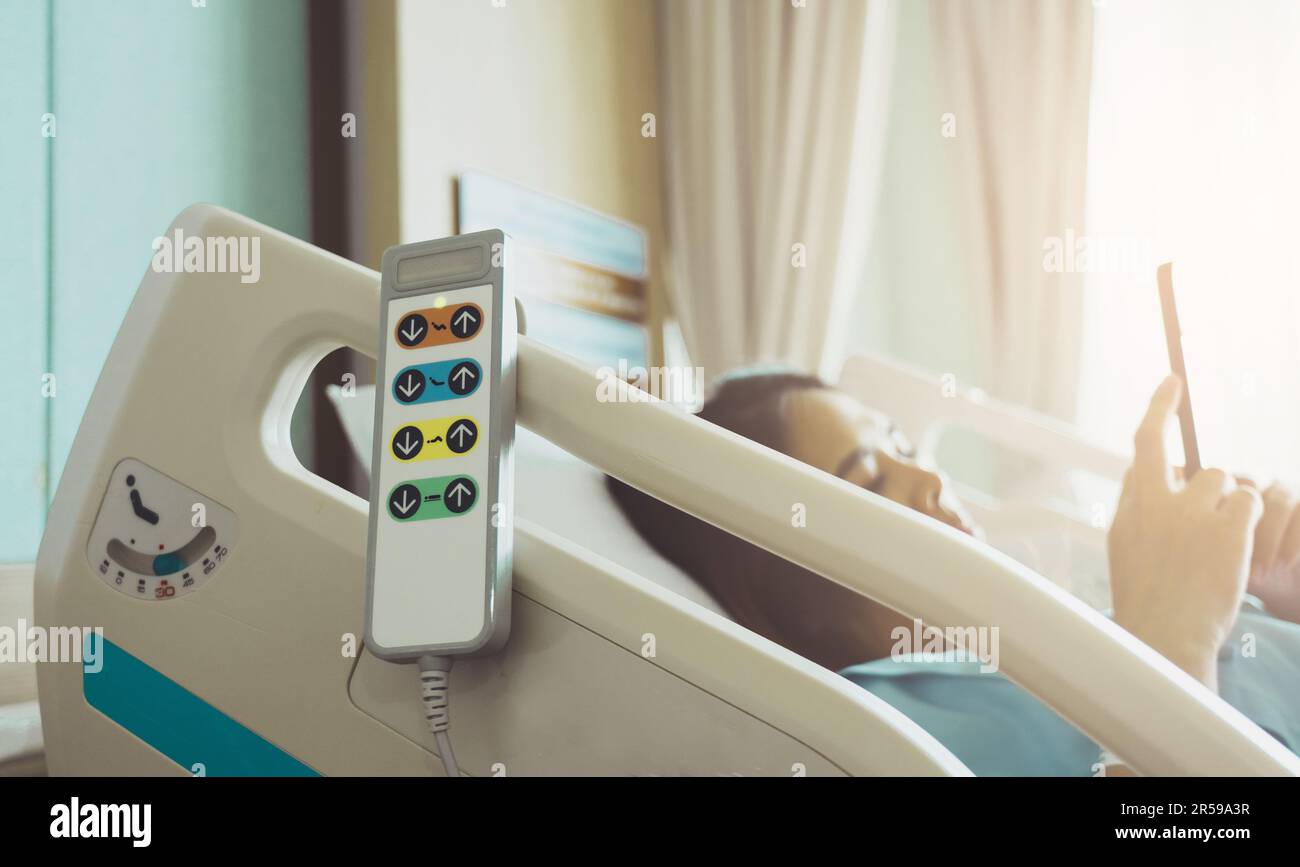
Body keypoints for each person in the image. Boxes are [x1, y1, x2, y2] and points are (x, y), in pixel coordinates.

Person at [607, 372, 1300, 775]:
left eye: (903, 446)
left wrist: (1268, 592)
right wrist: (1171, 654)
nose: (929, 477)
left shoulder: (1061, 613)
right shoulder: (867, 738)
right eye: (872, 480)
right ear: (798, 590)